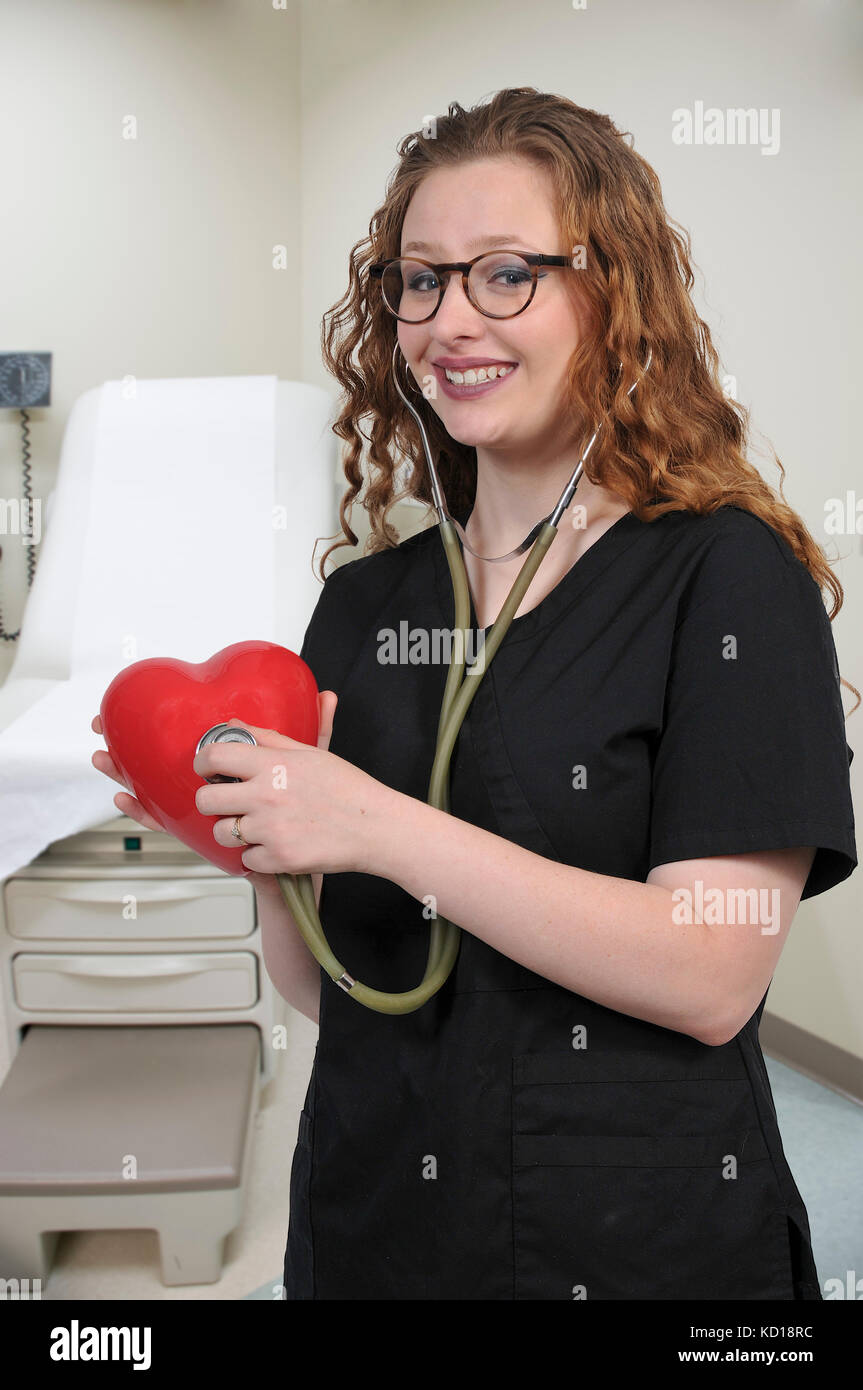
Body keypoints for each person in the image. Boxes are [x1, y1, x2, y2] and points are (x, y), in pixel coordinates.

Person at [94, 89, 857, 1300]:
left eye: (506, 274)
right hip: (376, 1223)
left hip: (631, 1238)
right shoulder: (363, 605)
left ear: (612, 291)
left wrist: (372, 823)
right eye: (420, 280)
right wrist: (247, 839)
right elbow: (328, 983)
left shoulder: (721, 575)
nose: (451, 319)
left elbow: (712, 979)